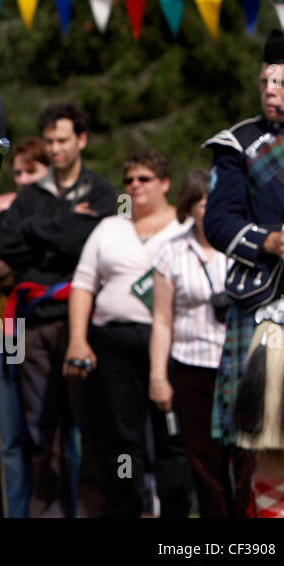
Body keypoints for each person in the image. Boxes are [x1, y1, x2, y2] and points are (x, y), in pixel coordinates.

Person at [204, 18, 284, 517]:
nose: (270, 92)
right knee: (270, 452)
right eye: (264, 81)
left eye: (283, 82)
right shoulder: (240, 144)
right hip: (267, 310)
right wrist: (270, 239)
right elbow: (218, 221)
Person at [0, 103, 117, 516]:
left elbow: (92, 241)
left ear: (82, 139)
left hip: (85, 325)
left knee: (88, 431)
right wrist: (61, 226)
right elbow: (5, 246)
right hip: (36, 325)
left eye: (63, 140)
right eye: (50, 141)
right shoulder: (29, 197)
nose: (55, 149)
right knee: (42, 430)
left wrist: (38, 231)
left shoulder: (102, 192)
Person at [66, 150, 190, 517]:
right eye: (130, 180)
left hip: (171, 346)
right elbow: (83, 284)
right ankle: (127, 508)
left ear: (165, 183)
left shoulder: (183, 229)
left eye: (144, 178)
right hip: (114, 345)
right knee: (123, 439)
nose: (135, 186)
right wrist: (77, 338)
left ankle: (176, 510)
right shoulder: (110, 228)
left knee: (172, 438)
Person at [149, 168, 255, 517]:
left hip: (241, 364)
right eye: (202, 202)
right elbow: (162, 320)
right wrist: (158, 375)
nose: (209, 208)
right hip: (191, 365)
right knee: (203, 461)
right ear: (189, 206)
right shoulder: (170, 252)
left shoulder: (246, 249)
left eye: (216, 201)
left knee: (247, 458)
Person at [0, 135, 50, 517]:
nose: (21, 179)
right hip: (6, 332)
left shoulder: (59, 212)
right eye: (17, 172)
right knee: (11, 438)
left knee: (48, 434)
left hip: (48, 329)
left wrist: (17, 258)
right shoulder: (7, 219)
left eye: (30, 171)